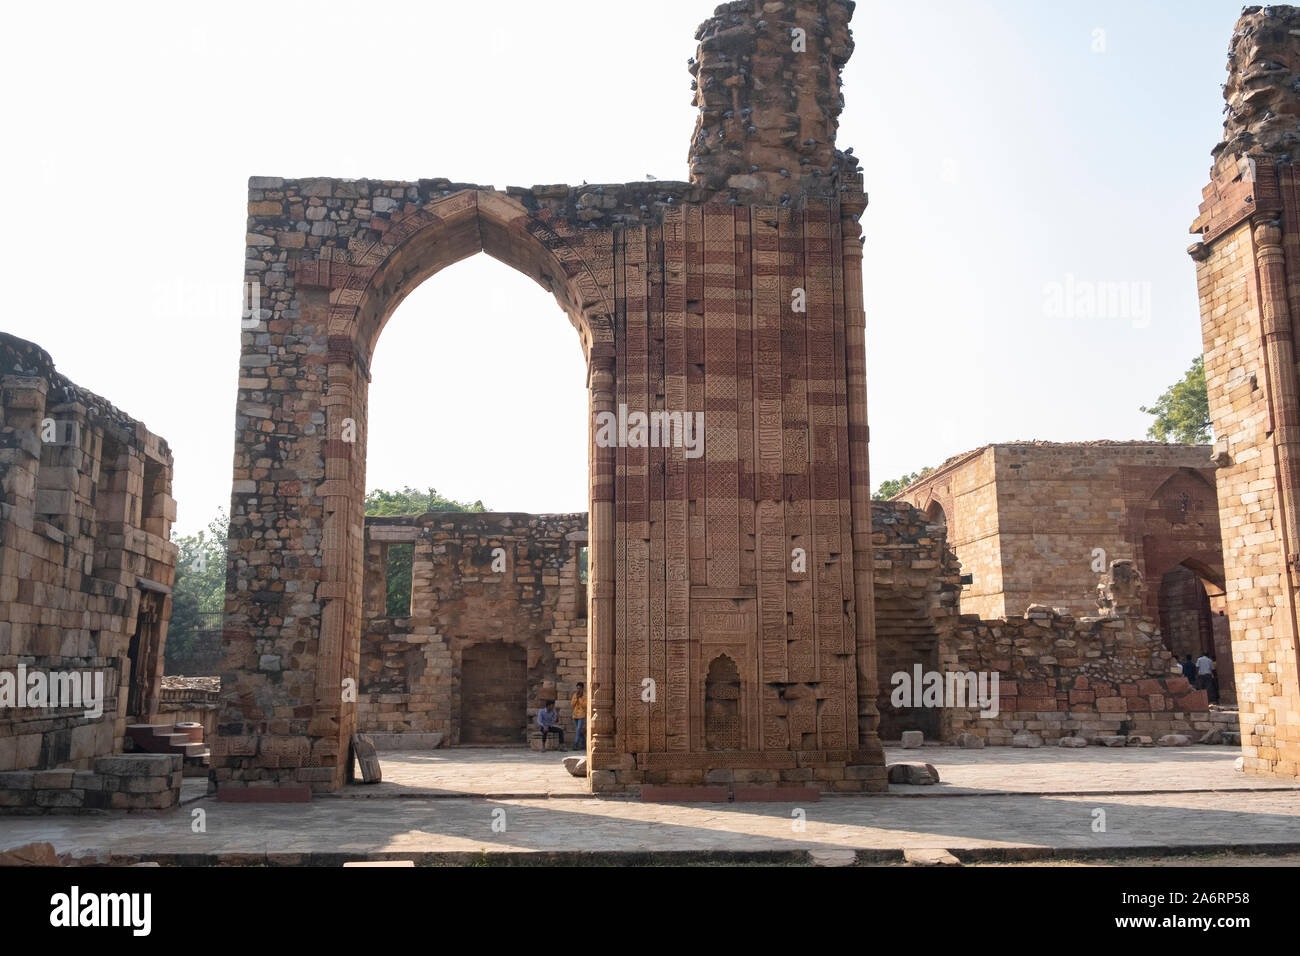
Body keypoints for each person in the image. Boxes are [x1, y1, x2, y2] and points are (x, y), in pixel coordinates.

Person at [570, 682, 587, 750]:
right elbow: (572, 705)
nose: (578, 690)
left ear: (582, 688)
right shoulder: (575, 695)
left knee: (578, 729)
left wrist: (579, 699)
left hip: (581, 715)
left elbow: (585, 705)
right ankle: (584, 743)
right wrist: (576, 698)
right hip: (575, 715)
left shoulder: (585, 696)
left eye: (579, 688)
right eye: (577, 688)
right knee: (578, 730)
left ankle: (575, 743)